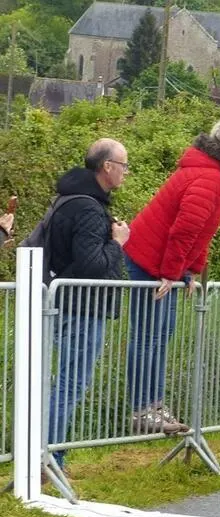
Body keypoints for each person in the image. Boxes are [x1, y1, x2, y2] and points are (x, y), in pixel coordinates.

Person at [123, 116, 220, 435]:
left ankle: (153, 405)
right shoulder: (210, 176)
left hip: (161, 264)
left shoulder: (214, 173)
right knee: (147, 335)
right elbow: (184, 230)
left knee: (160, 334)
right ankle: (142, 410)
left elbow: (202, 232)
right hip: (149, 261)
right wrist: (172, 272)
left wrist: (190, 271)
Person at [46, 139, 131, 471]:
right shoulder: (89, 208)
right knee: (70, 383)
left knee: (64, 381)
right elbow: (91, 265)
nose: (126, 172)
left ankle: (48, 455)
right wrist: (118, 243)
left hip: (67, 304)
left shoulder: (69, 199)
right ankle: (51, 457)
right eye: (123, 165)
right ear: (107, 167)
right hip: (82, 307)